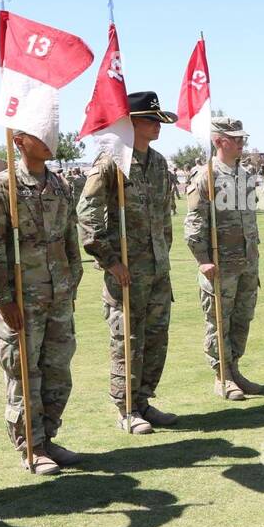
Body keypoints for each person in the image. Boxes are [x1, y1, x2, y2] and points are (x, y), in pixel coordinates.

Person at [0, 130, 83, 475]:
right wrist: (3, 298)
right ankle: (31, 447)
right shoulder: (1, 186)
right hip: (23, 300)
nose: (50, 139)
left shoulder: (60, 185)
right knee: (24, 374)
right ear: (19, 141)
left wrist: (71, 284)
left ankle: (48, 437)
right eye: (41, 135)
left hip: (58, 297)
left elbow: (70, 240)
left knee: (57, 373)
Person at [77, 91, 180, 434]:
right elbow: (87, 215)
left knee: (155, 338)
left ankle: (144, 401)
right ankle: (126, 409)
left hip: (156, 270)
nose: (156, 126)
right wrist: (109, 260)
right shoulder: (111, 162)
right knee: (127, 341)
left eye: (157, 120)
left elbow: (164, 216)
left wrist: (164, 253)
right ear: (130, 122)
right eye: (149, 120)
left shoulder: (160, 163)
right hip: (126, 272)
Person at [185, 116, 261, 400]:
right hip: (221, 265)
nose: (241, 143)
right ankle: (222, 377)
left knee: (242, 319)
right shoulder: (206, 174)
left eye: (242, 138)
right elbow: (194, 222)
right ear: (219, 141)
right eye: (235, 139)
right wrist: (202, 258)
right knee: (220, 322)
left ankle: (235, 370)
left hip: (246, 261)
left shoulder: (244, 174)